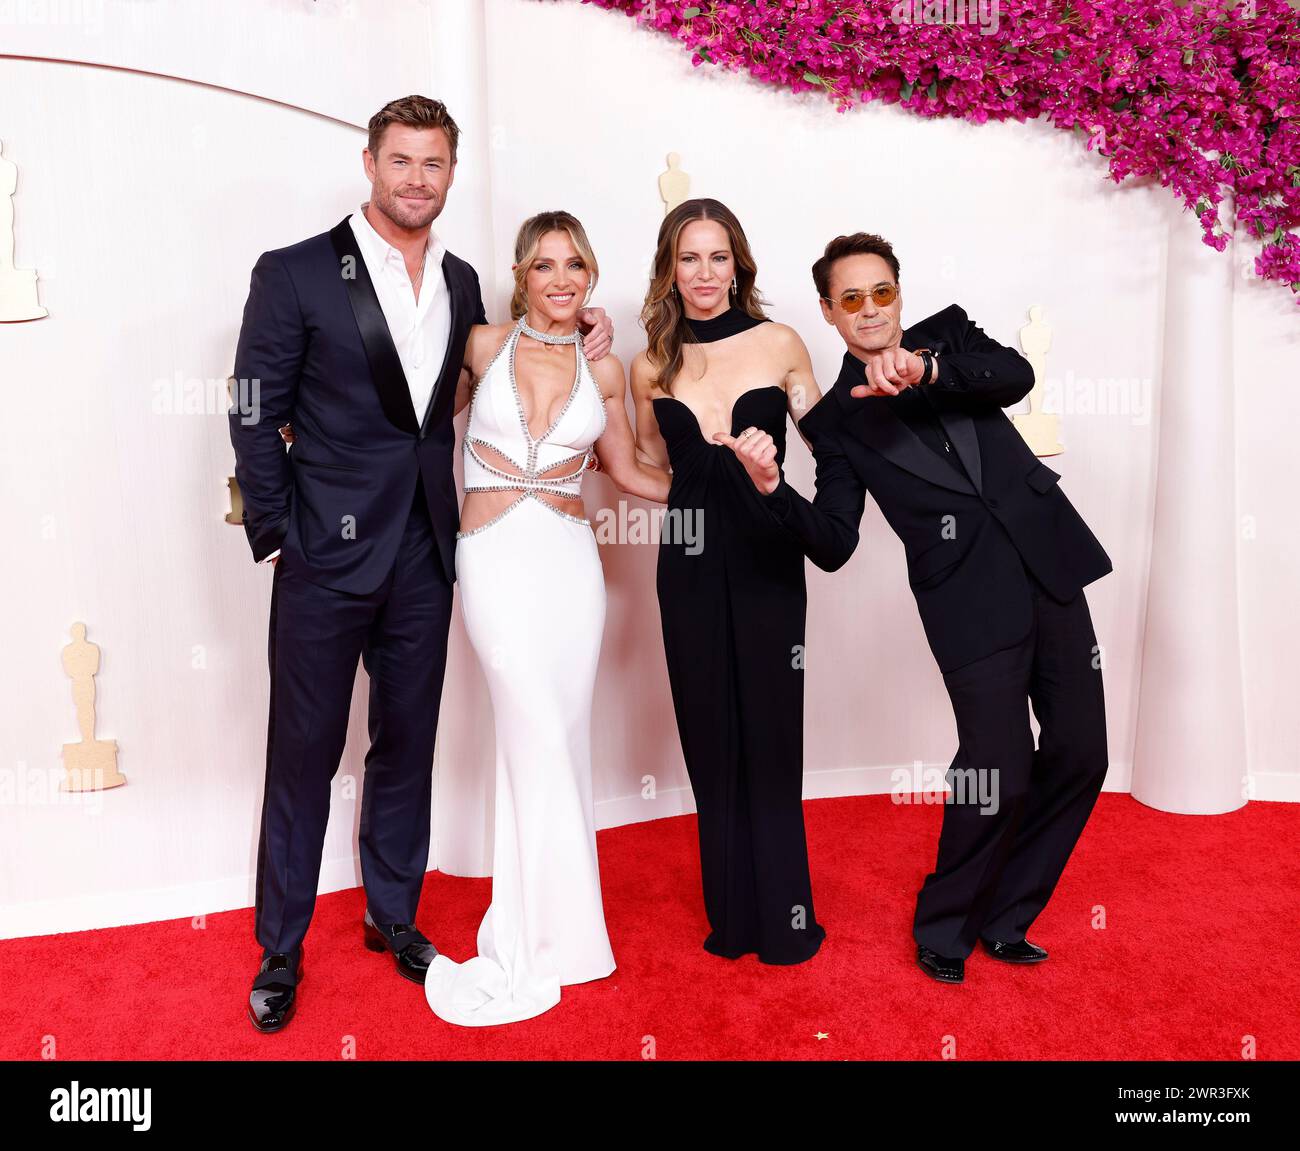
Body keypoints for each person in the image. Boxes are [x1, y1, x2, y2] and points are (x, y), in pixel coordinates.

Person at [228, 96, 613, 1033]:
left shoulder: (468, 279)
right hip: (324, 554)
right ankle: (281, 945)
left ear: (451, 172)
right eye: (400, 160)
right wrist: (279, 532)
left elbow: (484, 386)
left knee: (406, 744)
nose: (415, 178)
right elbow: (251, 405)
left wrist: (583, 336)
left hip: (432, 551)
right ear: (369, 163)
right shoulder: (294, 273)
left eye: (433, 163)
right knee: (303, 752)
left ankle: (391, 916)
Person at [722, 232, 1112, 984]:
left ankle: (1007, 916)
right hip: (966, 597)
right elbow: (834, 540)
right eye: (851, 299)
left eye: (882, 292)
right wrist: (772, 492)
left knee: (1082, 750)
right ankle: (945, 918)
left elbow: (1015, 375)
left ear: (899, 293)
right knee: (996, 766)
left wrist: (931, 369)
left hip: (1047, 559)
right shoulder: (834, 423)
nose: (870, 310)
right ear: (830, 313)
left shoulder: (950, 337)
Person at [420, 212, 670, 1026]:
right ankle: (557, 937)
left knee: (557, 734)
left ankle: (548, 926)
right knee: (529, 723)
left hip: (571, 565)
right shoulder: (483, 346)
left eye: (575, 266)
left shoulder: (606, 369)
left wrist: (724, 480)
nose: (561, 280)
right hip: (491, 557)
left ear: (589, 276)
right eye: (544, 266)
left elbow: (630, 471)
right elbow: (417, 430)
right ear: (522, 274)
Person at [630, 198, 827, 966]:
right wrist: (697, 479)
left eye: (717, 257)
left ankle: (785, 915)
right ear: (669, 268)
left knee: (772, 731)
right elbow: (647, 466)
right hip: (686, 562)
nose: (704, 273)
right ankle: (732, 916)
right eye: (688, 258)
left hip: (767, 554)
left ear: (737, 264)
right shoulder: (652, 364)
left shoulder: (779, 341)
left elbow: (828, 439)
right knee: (710, 732)